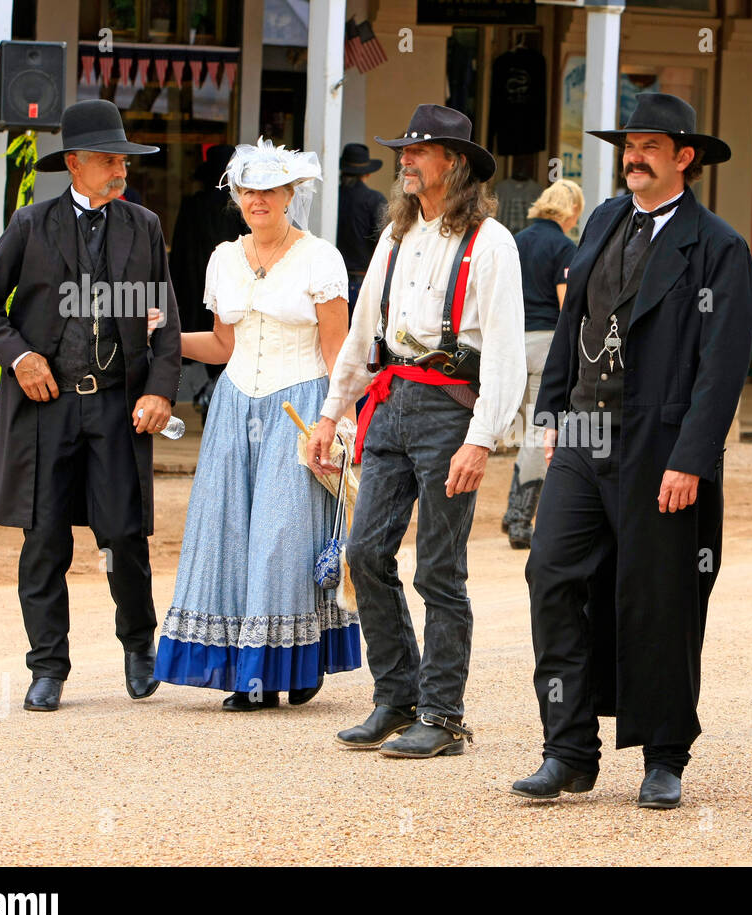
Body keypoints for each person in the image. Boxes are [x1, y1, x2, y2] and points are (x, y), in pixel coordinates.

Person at [512, 93, 752, 810]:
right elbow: (572, 325)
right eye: (630, 144)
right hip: (585, 433)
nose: (635, 156)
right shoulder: (603, 219)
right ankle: (567, 749)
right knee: (551, 575)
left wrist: (692, 457)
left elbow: (722, 368)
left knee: (659, 596)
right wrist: (553, 415)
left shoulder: (720, 247)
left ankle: (664, 753)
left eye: (651, 144)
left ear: (686, 156)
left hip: (661, 444)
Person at [307, 105, 526, 757]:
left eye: (418, 151)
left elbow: (507, 354)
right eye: (403, 150)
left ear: (453, 164)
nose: (404, 160)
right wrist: (329, 410)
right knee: (366, 552)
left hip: (452, 413)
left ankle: (442, 715)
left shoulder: (492, 244)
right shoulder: (396, 236)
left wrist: (482, 438)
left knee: (439, 568)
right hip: (393, 400)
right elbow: (363, 330)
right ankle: (396, 698)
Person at [0, 99, 181, 712]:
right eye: (109, 160)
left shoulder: (144, 226)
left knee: (123, 534)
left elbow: (163, 319)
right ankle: (48, 667)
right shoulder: (31, 225)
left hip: (114, 405)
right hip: (46, 407)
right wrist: (20, 356)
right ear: (77, 165)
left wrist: (160, 389)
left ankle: (140, 649)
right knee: (45, 540)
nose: (120, 169)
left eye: (123, 159)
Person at [153, 139, 362, 710]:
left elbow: (338, 350)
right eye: (248, 190)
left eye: (269, 190)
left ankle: (287, 662)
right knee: (227, 534)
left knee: (280, 535)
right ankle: (245, 671)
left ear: (291, 194)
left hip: (298, 405)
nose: (258, 200)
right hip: (234, 403)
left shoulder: (321, 258)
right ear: (237, 197)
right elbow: (223, 345)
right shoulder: (223, 257)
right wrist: (161, 337)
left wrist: (337, 423)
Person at [502, 178, 584, 549]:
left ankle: (512, 512)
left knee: (514, 431)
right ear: (572, 211)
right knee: (540, 431)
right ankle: (520, 517)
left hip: (510, 343)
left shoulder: (515, 241)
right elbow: (567, 307)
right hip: (546, 344)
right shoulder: (565, 248)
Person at [169, 144, 246, 422]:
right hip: (234, 287)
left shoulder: (194, 204)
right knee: (227, 343)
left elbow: (178, 251)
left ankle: (210, 393)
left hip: (195, 285)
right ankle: (216, 395)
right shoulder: (240, 207)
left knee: (212, 339)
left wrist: (176, 286)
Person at [336, 143, 388, 305]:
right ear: (367, 174)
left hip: (331, 280)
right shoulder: (375, 200)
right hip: (363, 280)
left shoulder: (330, 197)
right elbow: (385, 242)